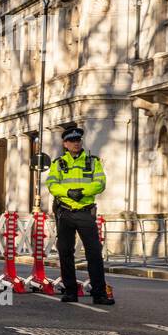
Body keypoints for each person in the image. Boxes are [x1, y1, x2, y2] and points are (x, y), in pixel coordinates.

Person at [45, 124, 113, 304]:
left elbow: (100, 183)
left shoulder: (93, 161)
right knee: (65, 252)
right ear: (65, 144)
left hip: (85, 212)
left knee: (94, 253)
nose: (76, 143)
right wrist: (68, 193)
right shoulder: (58, 163)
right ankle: (70, 291)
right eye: (71, 141)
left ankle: (99, 294)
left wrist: (81, 191)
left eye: (78, 140)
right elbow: (52, 185)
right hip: (65, 212)